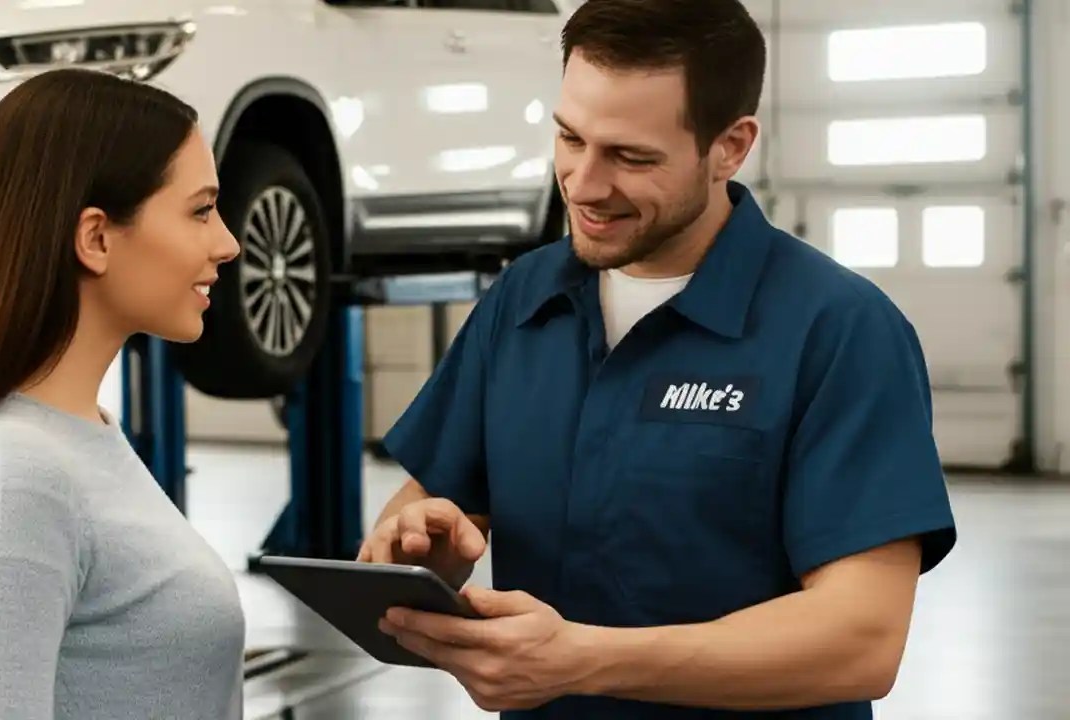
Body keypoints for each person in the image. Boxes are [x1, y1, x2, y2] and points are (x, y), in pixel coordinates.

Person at [358, 1, 957, 718]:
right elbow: (433, 504)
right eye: (569, 138)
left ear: (730, 147)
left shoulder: (839, 331)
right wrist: (424, 547)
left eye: (630, 156)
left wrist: (585, 660)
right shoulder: (523, 299)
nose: (582, 182)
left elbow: (860, 640)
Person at [0, 68, 244, 719]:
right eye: (201, 211)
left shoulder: (84, 440)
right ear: (95, 237)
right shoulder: (21, 471)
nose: (228, 243)